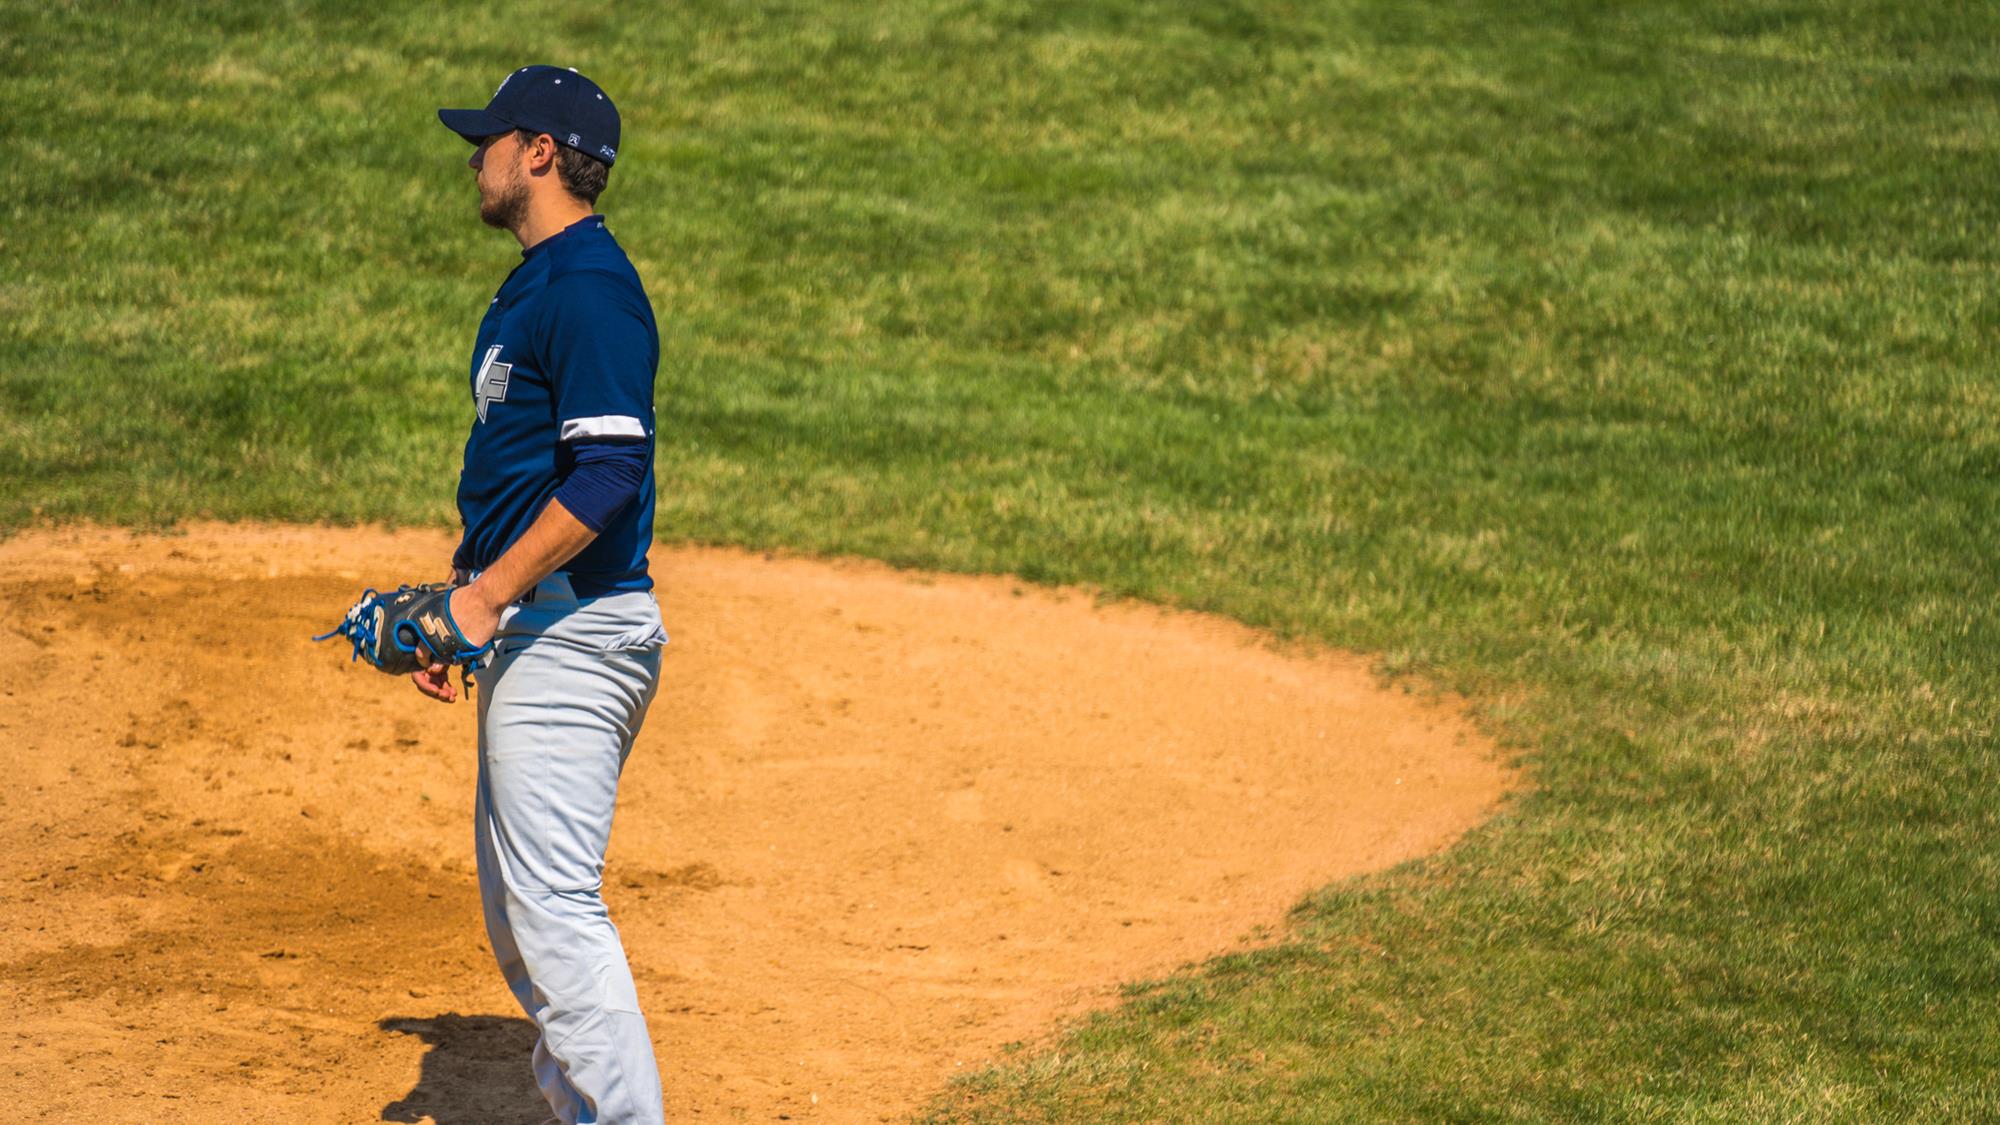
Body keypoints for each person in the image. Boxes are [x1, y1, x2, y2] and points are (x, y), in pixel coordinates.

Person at [425, 65, 667, 1125]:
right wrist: (464, 597)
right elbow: (528, 466)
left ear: (537, 153)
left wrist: (486, 603)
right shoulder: (536, 282)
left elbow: (609, 474)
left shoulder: (588, 290)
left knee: (555, 913)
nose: (469, 153)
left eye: (489, 138)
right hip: (538, 621)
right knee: (526, 922)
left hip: (576, 633)